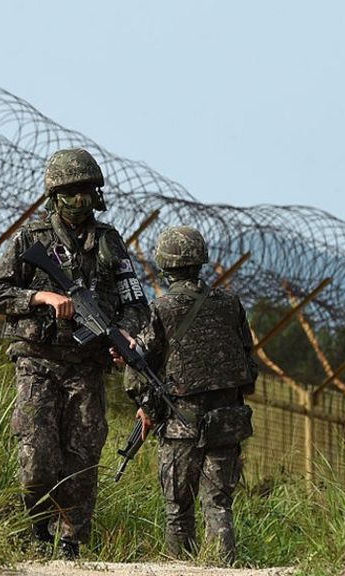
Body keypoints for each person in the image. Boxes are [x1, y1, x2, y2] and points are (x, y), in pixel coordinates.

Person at [0, 148, 149, 557]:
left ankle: (70, 545)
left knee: (84, 455)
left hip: (86, 367)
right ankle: (36, 532)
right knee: (37, 454)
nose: (79, 200)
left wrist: (123, 337)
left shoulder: (109, 242)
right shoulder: (31, 238)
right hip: (38, 362)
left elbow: (135, 304)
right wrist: (41, 296)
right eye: (70, 192)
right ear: (54, 196)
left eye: (87, 191)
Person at [112, 225, 257, 565]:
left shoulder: (160, 309)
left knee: (178, 508)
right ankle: (225, 569)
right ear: (201, 260)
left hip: (181, 425)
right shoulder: (230, 305)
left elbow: (139, 369)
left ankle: (180, 568)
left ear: (164, 263)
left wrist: (147, 407)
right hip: (226, 420)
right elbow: (248, 362)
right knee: (219, 504)